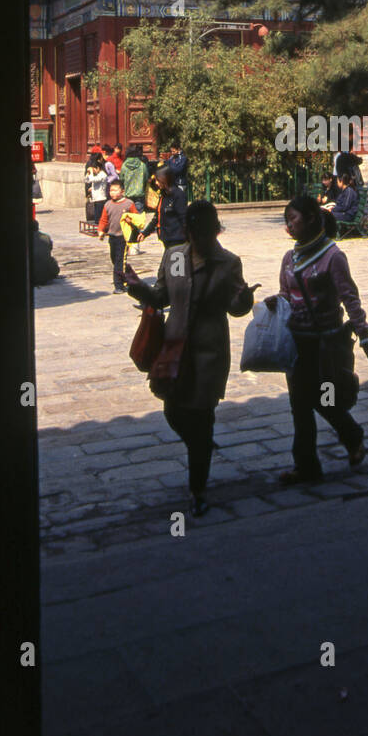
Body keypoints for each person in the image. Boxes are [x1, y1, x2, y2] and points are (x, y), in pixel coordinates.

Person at [126, 201, 257, 517]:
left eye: (206, 232)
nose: (201, 239)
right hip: (174, 345)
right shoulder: (174, 258)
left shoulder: (227, 263)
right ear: (187, 232)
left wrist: (244, 301)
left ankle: (197, 489)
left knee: (202, 415)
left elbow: (235, 308)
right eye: (195, 232)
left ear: (216, 230)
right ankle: (201, 446)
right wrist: (139, 288)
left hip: (209, 351)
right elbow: (161, 296)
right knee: (173, 410)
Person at [263, 196, 368, 485]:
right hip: (297, 341)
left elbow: (349, 297)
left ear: (311, 220)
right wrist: (274, 302)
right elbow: (286, 294)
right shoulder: (289, 258)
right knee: (299, 405)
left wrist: (365, 334)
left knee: (322, 398)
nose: (288, 226)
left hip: (325, 342)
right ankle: (307, 464)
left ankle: (352, 435)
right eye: (287, 220)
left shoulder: (333, 256)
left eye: (293, 220)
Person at [97, 180, 138, 293]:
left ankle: (118, 286)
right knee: (114, 259)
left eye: (115, 190)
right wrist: (101, 231)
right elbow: (103, 220)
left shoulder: (129, 203)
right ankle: (128, 279)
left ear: (122, 191)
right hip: (112, 236)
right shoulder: (108, 204)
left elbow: (137, 218)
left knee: (120, 261)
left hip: (123, 237)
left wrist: (132, 221)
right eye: (111, 190)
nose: (112, 192)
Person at [140, 166, 189, 247]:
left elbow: (184, 219)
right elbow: (156, 217)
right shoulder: (163, 195)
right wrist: (145, 233)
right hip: (167, 241)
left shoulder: (178, 195)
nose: (156, 183)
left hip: (178, 242)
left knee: (176, 260)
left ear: (165, 178)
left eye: (157, 180)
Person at [119, 144, 150, 213]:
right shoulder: (142, 165)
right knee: (138, 218)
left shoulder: (124, 166)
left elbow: (121, 179)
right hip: (139, 194)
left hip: (127, 194)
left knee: (128, 217)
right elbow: (146, 178)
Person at [84, 158, 109, 223]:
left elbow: (93, 180)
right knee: (96, 218)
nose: (93, 171)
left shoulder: (103, 175)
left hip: (100, 199)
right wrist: (88, 173)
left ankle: (100, 230)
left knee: (99, 218)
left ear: (98, 168)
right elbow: (87, 180)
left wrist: (91, 173)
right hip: (95, 198)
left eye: (94, 169)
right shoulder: (97, 175)